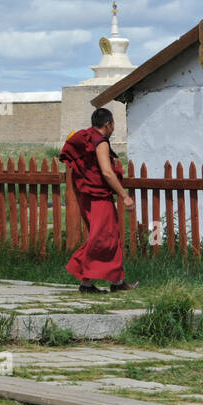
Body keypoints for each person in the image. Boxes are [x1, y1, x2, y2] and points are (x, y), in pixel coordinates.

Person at [60, 108, 138, 293]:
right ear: (108, 124)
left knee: (108, 236)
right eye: (113, 125)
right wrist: (124, 196)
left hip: (88, 195)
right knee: (102, 238)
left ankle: (116, 282)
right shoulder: (100, 141)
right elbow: (106, 172)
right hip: (98, 197)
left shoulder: (88, 137)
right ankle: (85, 279)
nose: (113, 129)